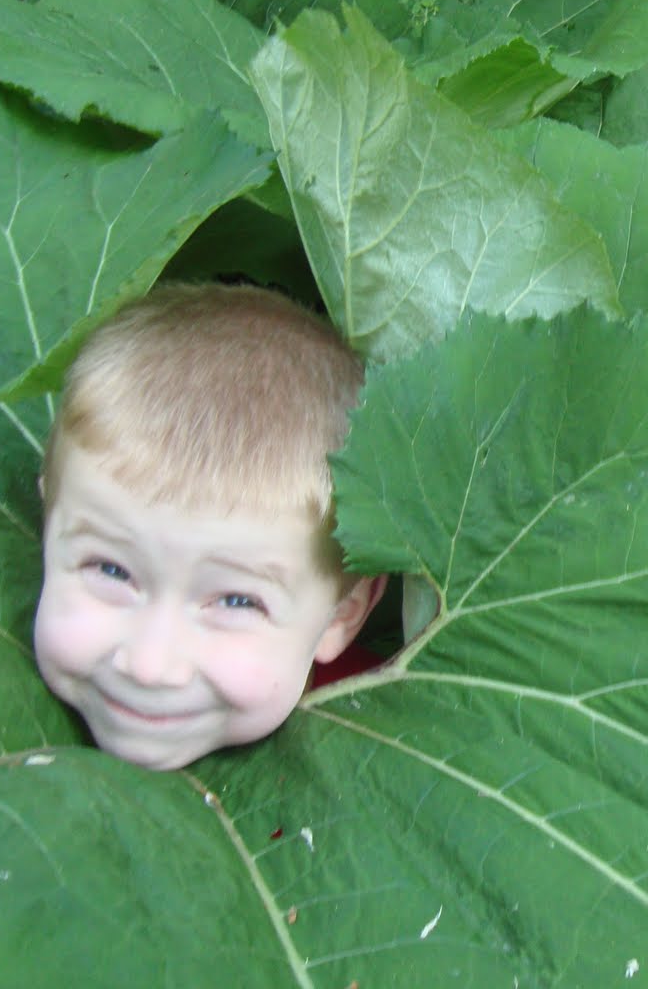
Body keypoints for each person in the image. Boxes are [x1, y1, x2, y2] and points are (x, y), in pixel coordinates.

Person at [33, 282, 386, 771]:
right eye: (111, 570)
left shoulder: (388, 746)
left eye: (237, 601)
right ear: (47, 521)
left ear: (342, 615)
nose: (149, 666)